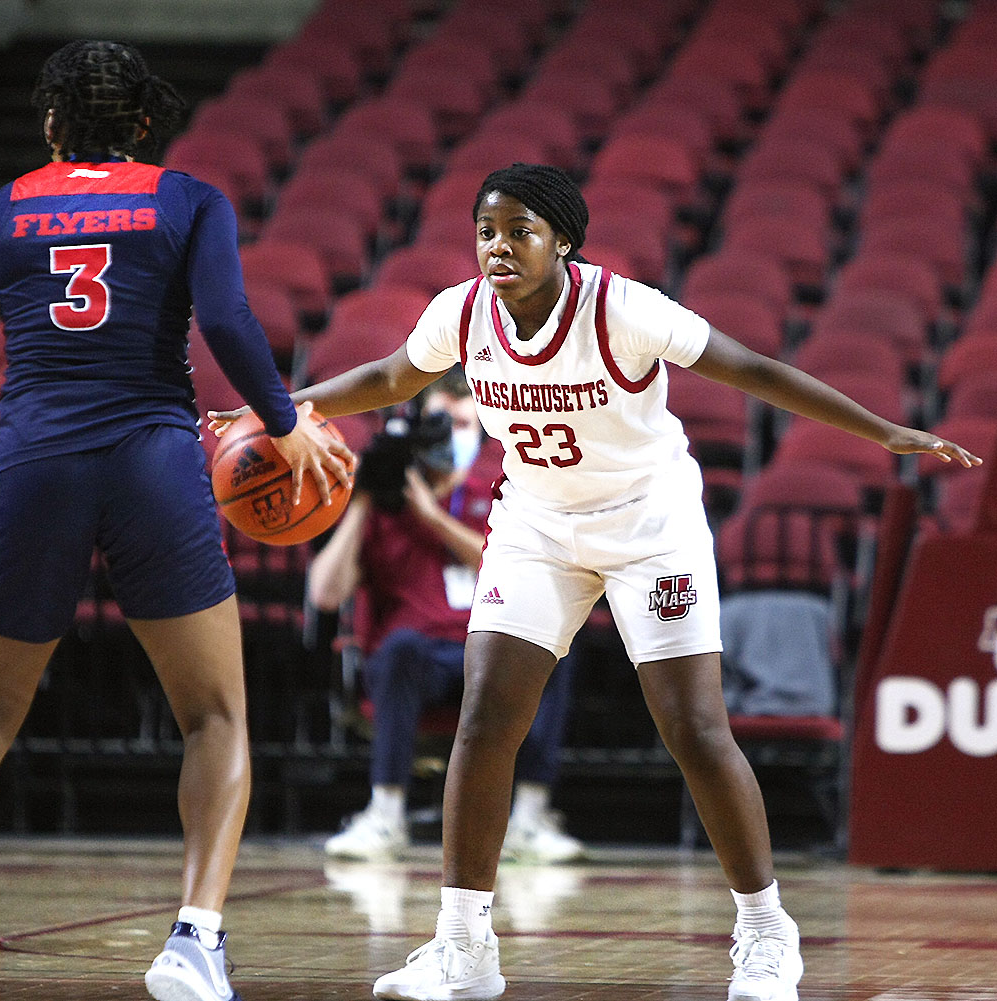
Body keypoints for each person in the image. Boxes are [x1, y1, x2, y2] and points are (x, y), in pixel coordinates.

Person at [210, 162, 982, 1001]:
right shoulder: (462, 312)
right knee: (484, 719)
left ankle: (766, 934)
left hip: (651, 526)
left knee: (693, 725)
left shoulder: (622, 307)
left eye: (518, 233)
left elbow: (752, 368)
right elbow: (393, 378)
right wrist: (282, 410)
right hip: (536, 524)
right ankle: (463, 946)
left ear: (563, 242)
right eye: (486, 233)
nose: (497, 248)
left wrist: (882, 431)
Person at [0, 39, 351, 1001]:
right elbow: (227, 321)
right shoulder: (188, 199)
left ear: (51, 125)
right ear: (145, 122)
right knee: (216, 715)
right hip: (151, 456)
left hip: (33, 461)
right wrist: (284, 423)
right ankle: (193, 938)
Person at [310, 366, 583, 865]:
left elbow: (502, 560)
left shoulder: (504, 486)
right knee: (400, 649)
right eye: (440, 423)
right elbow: (326, 595)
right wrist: (364, 498)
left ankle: (529, 819)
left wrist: (433, 517)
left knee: (552, 650)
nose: (450, 436)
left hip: (491, 649)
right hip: (420, 658)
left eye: (462, 425)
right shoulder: (384, 500)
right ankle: (385, 813)